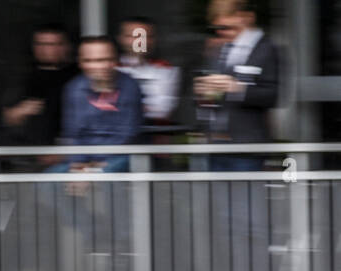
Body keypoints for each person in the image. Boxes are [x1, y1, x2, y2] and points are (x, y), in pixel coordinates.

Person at [195, 0, 279, 171]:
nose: (221, 33)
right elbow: (206, 98)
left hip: (246, 147)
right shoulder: (220, 49)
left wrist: (237, 88)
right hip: (215, 143)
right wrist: (203, 91)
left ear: (244, 18)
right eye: (217, 28)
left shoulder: (266, 49)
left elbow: (272, 96)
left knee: (245, 197)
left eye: (226, 27)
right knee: (215, 198)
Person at [57, 36, 143, 174]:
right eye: (90, 61)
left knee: (100, 176)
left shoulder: (130, 87)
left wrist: (93, 167)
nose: (100, 66)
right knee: (49, 179)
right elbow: (73, 135)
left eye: (105, 60)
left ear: (116, 60)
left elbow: (127, 134)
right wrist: (80, 165)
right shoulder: (73, 89)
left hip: (120, 157)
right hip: (84, 159)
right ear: (80, 63)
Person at [0, 25, 76, 154]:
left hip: (69, 151)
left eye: (55, 44)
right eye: (42, 44)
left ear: (67, 47)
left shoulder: (77, 78)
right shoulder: (21, 77)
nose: (48, 49)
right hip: (27, 152)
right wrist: (20, 111)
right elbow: (4, 118)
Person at [116, 16, 181, 125]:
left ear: (153, 39)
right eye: (133, 36)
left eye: (144, 36)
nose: (139, 41)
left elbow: (162, 111)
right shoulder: (111, 68)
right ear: (121, 38)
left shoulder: (166, 70)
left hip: (154, 137)